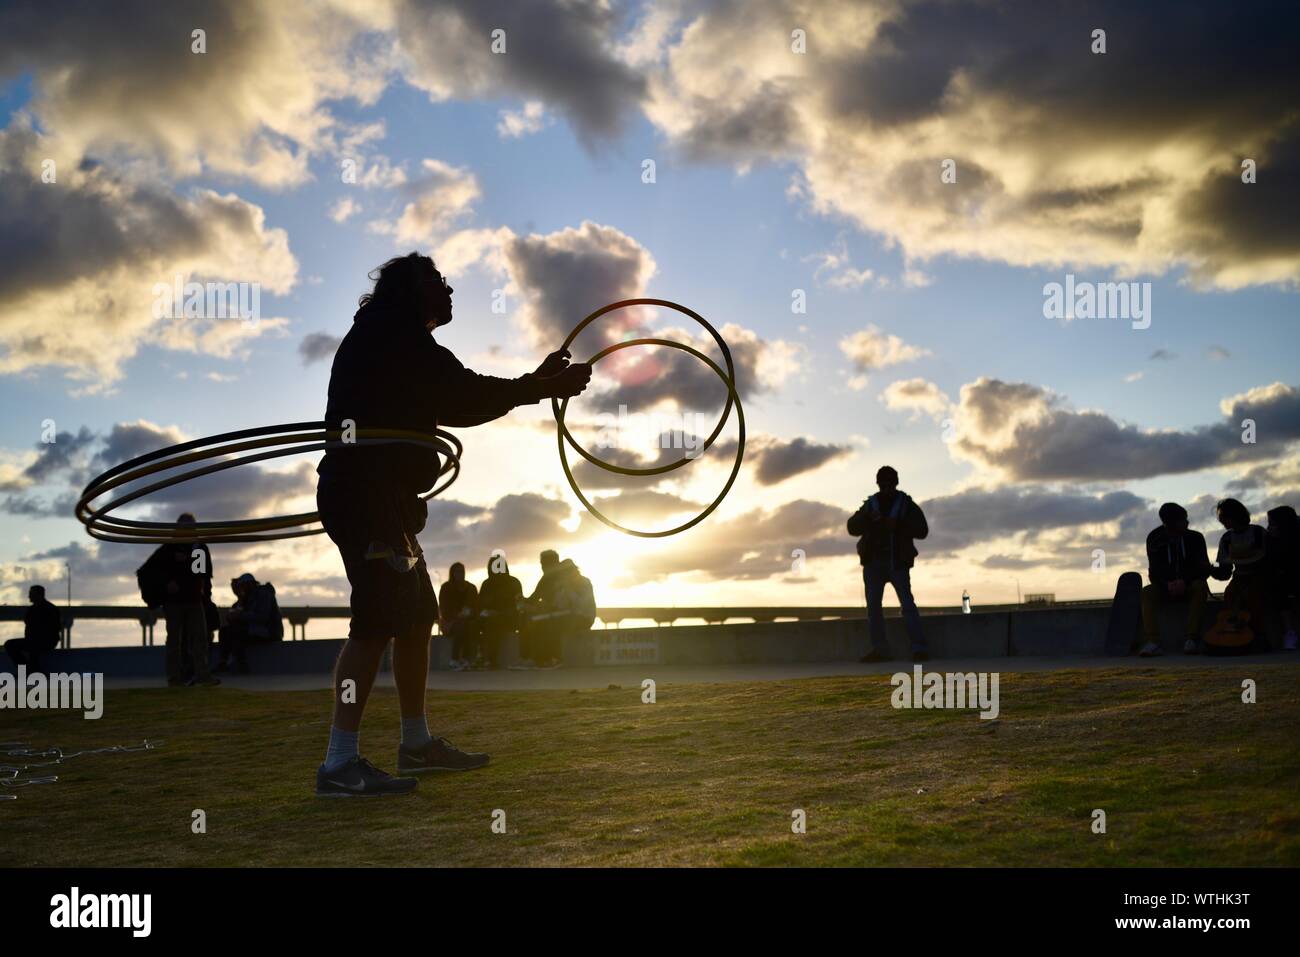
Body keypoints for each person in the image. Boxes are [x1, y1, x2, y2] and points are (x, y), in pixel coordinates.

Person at [313, 252, 591, 797]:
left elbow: (455, 394)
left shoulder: (398, 337)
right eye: (437, 281)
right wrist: (538, 386)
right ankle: (338, 763)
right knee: (375, 621)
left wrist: (533, 382)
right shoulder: (391, 332)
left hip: (385, 497)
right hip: (364, 492)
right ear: (408, 291)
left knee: (416, 615)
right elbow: (459, 394)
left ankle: (416, 743)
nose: (449, 289)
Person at [847, 465, 930, 662]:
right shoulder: (871, 505)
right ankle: (880, 650)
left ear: (895, 484)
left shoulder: (905, 504)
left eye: (889, 484)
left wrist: (899, 525)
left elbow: (922, 530)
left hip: (897, 563)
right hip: (874, 564)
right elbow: (852, 527)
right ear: (878, 484)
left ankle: (918, 648)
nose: (886, 489)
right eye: (883, 485)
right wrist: (869, 519)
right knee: (874, 609)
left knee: (907, 606)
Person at [148, 513, 219, 687]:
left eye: (190, 528)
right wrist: (167, 583)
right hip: (173, 602)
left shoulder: (199, 547)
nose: (187, 531)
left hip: (195, 599)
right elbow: (158, 572)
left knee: (200, 639)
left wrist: (206, 599)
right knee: (174, 640)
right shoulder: (169, 548)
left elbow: (201, 573)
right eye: (184, 528)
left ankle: (202, 675)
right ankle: (174, 678)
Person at [1139, 503, 1212, 656]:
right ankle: (1153, 642)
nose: (1187, 523)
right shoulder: (1154, 538)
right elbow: (1154, 570)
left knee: (1200, 587)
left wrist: (1184, 581)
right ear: (1170, 523)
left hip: (1190, 585)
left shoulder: (1196, 538)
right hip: (1165, 588)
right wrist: (1167, 585)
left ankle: (1191, 639)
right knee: (1147, 593)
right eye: (1182, 520)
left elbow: (1203, 569)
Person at [1209, 498, 1273, 645]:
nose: (1223, 521)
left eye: (1225, 518)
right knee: (1230, 595)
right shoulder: (1226, 539)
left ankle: (1258, 636)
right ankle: (1233, 637)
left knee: (1255, 597)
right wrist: (1211, 570)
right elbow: (1225, 572)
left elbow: (1269, 561)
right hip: (1238, 579)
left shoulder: (1258, 533)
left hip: (1260, 577)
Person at [522, 550, 596, 668]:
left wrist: (568, 589)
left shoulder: (584, 582)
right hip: (569, 616)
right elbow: (560, 605)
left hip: (584, 617)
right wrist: (548, 606)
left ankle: (556, 658)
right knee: (541, 623)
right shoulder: (563, 585)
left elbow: (581, 605)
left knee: (554, 625)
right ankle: (540, 659)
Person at [215, 573, 284, 674]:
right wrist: (234, 613)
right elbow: (237, 614)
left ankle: (242, 665)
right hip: (255, 630)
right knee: (225, 631)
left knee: (236, 632)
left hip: (269, 632)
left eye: (242, 586)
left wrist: (240, 615)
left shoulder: (264, 595)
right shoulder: (246, 598)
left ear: (250, 585)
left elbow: (262, 617)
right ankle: (223, 662)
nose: (241, 589)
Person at [477, 552, 522, 669]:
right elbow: (480, 604)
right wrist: (485, 611)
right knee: (474, 624)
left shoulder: (513, 582)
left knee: (493, 623)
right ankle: (478, 657)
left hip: (510, 618)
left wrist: (500, 613)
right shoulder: (487, 584)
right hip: (488, 618)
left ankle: (491, 661)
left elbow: (519, 605)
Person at [4, 585, 62, 673]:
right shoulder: (35, 609)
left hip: (46, 641)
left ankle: (29, 671)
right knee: (13, 645)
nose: (29, 596)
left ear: (38, 595)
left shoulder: (49, 609)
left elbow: (54, 628)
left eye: (31, 594)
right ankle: (30, 670)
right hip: (36, 640)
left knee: (17, 645)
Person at [1266, 505, 1299, 651]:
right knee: (1278, 591)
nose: (1269, 527)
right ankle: (1289, 632)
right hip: (1282, 578)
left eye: (1272, 523)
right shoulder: (1271, 540)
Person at [438, 562, 480, 670]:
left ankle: (468, 659)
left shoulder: (471, 588)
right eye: (457, 572)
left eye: (462, 571)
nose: (460, 574)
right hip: (450, 623)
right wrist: (457, 616)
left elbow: (476, 606)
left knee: (469, 626)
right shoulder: (446, 588)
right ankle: (455, 659)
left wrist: (468, 613)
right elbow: (444, 608)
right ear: (452, 573)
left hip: (468, 620)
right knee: (461, 626)